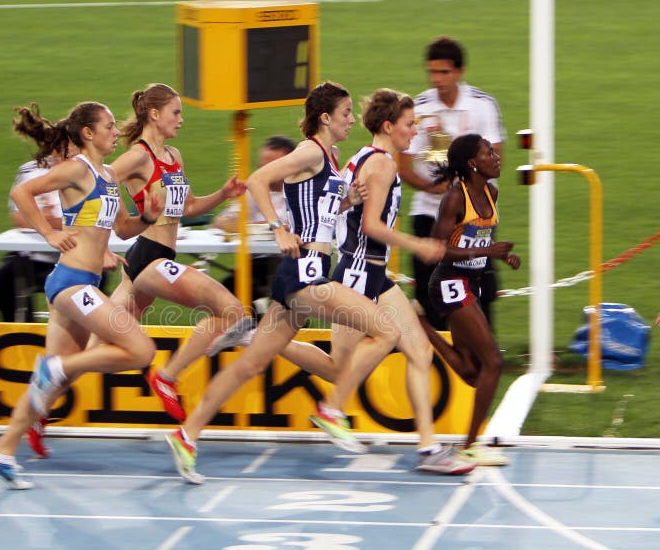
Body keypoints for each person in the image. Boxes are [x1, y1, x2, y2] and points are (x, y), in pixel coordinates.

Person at [165, 81, 402, 484]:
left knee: (251, 364)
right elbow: (259, 179)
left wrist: (349, 201)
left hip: (302, 271)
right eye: (345, 113)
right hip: (306, 271)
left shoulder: (329, 157)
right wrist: (277, 228)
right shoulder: (311, 151)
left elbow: (318, 212)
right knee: (387, 330)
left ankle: (186, 435)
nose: (351, 121)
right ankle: (332, 410)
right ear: (325, 118)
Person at [271, 88, 473, 475]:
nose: (415, 131)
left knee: (419, 352)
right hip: (360, 271)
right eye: (409, 124)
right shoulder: (381, 165)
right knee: (341, 368)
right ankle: (329, 406)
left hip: (375, 274)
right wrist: (418, 244)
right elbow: (371, 226)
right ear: (388, 126)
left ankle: (429, 449)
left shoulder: (365, 157)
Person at [0, 101, 159, 488]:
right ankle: (57, 369)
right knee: (141, 350)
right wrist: (49, 233)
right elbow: (23, 192)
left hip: (85, 282)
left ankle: (3, 451)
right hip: (70, 283)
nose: (116, 132)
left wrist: (147, 218)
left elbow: (121, 228)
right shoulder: (77, 169)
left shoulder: (107, 175)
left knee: (53, 382)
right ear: (88, 133)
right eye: (109, 126)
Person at [108, 83, 251, 423]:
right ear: (154, 114)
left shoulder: (173, 156)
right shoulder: (140, 156)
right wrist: (121, 223)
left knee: (105, 344)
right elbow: (102, 180)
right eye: (176, 112)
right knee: (231, 309)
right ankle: (167, 377)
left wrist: (223, 194)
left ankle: (45, 393)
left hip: (153, 258)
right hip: (149, 259)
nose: (181, 119)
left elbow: (187, 208)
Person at [415, 134, 520, 466]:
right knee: (494, 362)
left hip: (470, 281)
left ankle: (420, 325)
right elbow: (438, 250)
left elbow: (478, 238)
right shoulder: (454, 198)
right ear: (473, 163)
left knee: (473, 372)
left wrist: (500, 256)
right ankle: (470, 446)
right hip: (449, 281)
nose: (497, 156)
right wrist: (488, 251)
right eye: (489, 152)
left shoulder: (491, 192)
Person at [399, 36, 506, 330]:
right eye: (432, 72)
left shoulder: (482, 105)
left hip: (474, 216)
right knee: (430, 293)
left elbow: (496, 161)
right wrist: (433, 188)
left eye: (444, 72)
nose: (437, 79)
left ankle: (482, 351)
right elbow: (404, 167)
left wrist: (463, 189)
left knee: (478, 291)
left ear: (460, 71)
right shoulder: (418, 108)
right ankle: (437, 355)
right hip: (429, 213)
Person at [0, 103, 68, 322]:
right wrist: (53, 222)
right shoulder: (31, 170)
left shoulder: (86, 172)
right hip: (31, 257)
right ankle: (23, 333)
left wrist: (43, 218)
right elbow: (19, 218)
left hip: (75, 256)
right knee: (1, 281)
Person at [213, 134, 295, 315]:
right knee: (224, 292)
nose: (264, 171)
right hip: (257, 263)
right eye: (262, 165)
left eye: (271, 165)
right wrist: (260, 227)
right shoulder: (253, 190)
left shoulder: (299, 191)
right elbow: (221, 222)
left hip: (290, 262)